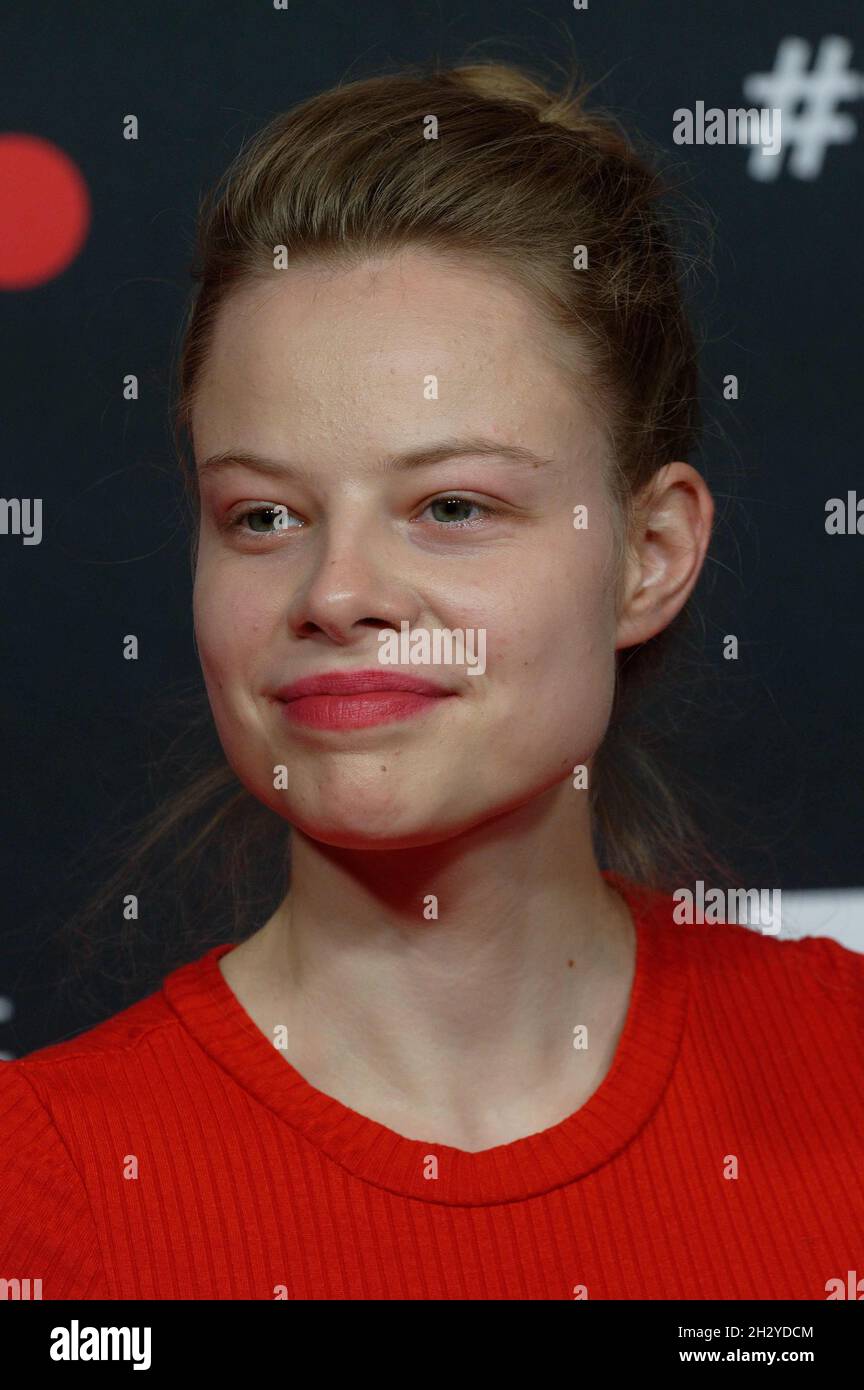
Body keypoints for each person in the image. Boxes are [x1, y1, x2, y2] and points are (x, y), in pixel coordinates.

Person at [1, 59, 861, 1302]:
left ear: (651, 555)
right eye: (261, 515)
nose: (337, 590)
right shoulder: (49, 1192)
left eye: (451, 505)